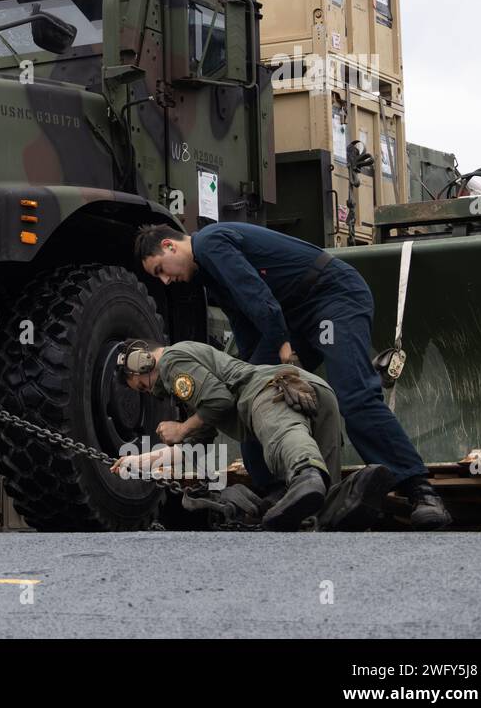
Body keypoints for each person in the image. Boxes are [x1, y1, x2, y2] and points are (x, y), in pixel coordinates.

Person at [133, 222, 451, 529]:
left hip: (330, 297)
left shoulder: (209, 243)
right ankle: (276, 490)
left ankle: (419, 490)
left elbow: (255, 292)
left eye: (160, 269)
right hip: (291, 316)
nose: (165, 281)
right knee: (250, 395)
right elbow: (244, 322)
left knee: (354, 396)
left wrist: (280, 341)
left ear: (169, 245)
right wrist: (250, 372)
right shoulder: (205, 275)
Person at [111, 339, 394, 530]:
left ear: (144, 362)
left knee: (287, 440)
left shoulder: (172, 362)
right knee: (319, 498)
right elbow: (197, 443)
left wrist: (181, 427)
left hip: (270, 389)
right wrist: (138, 462)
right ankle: (354, 493)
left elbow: (220, 400)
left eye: (143, 385)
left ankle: (307, 473)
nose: (149, 391)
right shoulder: (192, 375)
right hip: (316, 390)